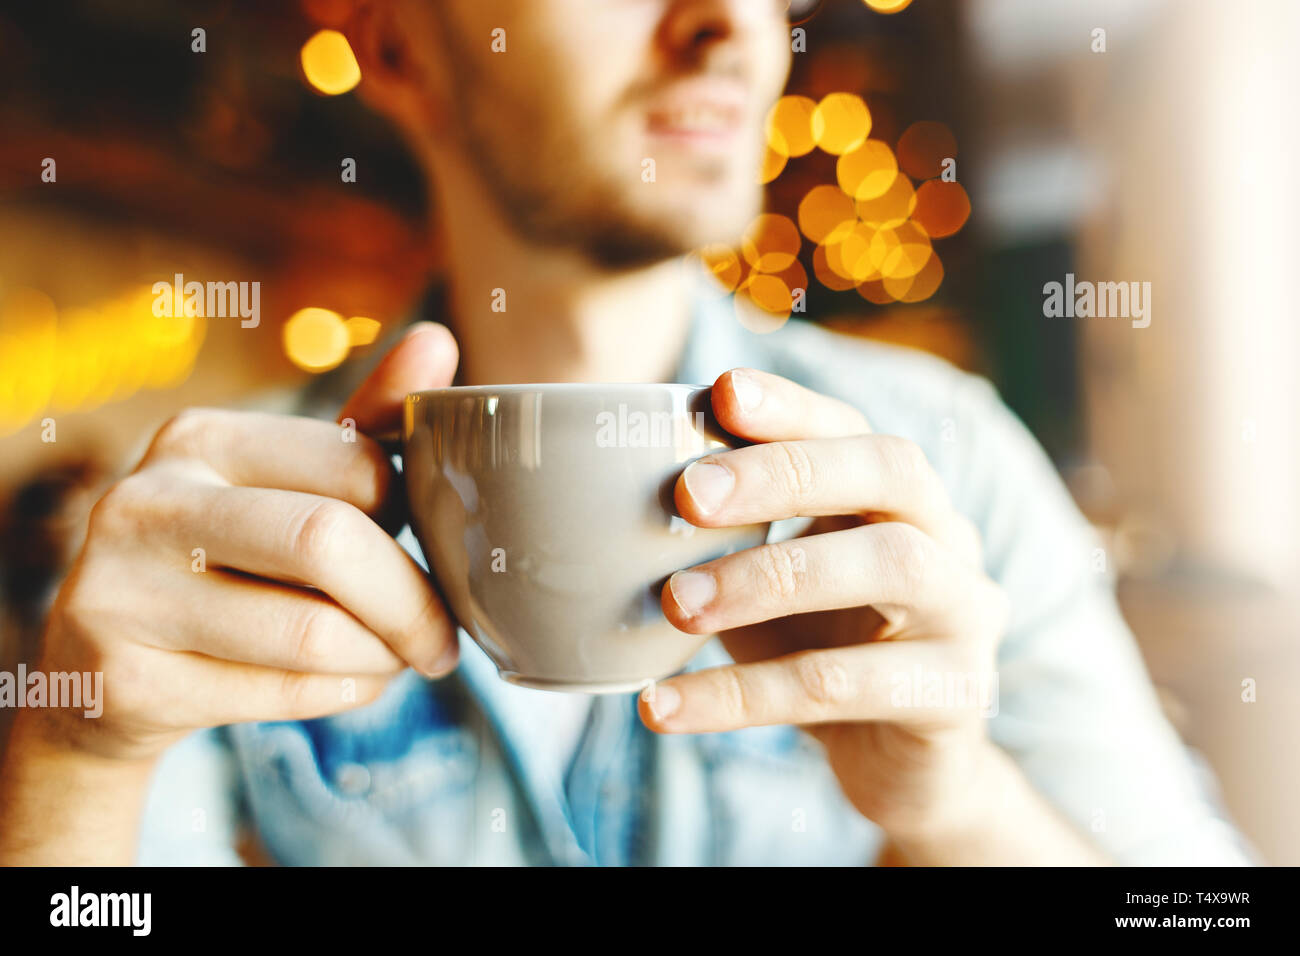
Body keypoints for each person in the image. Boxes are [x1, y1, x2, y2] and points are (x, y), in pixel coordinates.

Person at [0, 0, 1251, 866]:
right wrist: (75, 768)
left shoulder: (942, 462)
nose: (726, 26)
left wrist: (957, 802)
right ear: (395, 46)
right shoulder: (212, 524)